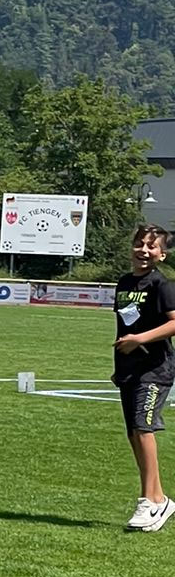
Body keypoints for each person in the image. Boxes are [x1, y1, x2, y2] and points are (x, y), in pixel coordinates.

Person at [114, 223, 175, 531]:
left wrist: (140, 339)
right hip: (129, 370)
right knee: (134, 434)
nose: (144, 251)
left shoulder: (161, 285)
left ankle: (148, 502)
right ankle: (160, 498)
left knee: (143, 427)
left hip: (155, 369)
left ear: (161, 255)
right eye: (140, 244)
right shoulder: (125, 282)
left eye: (152, 247)